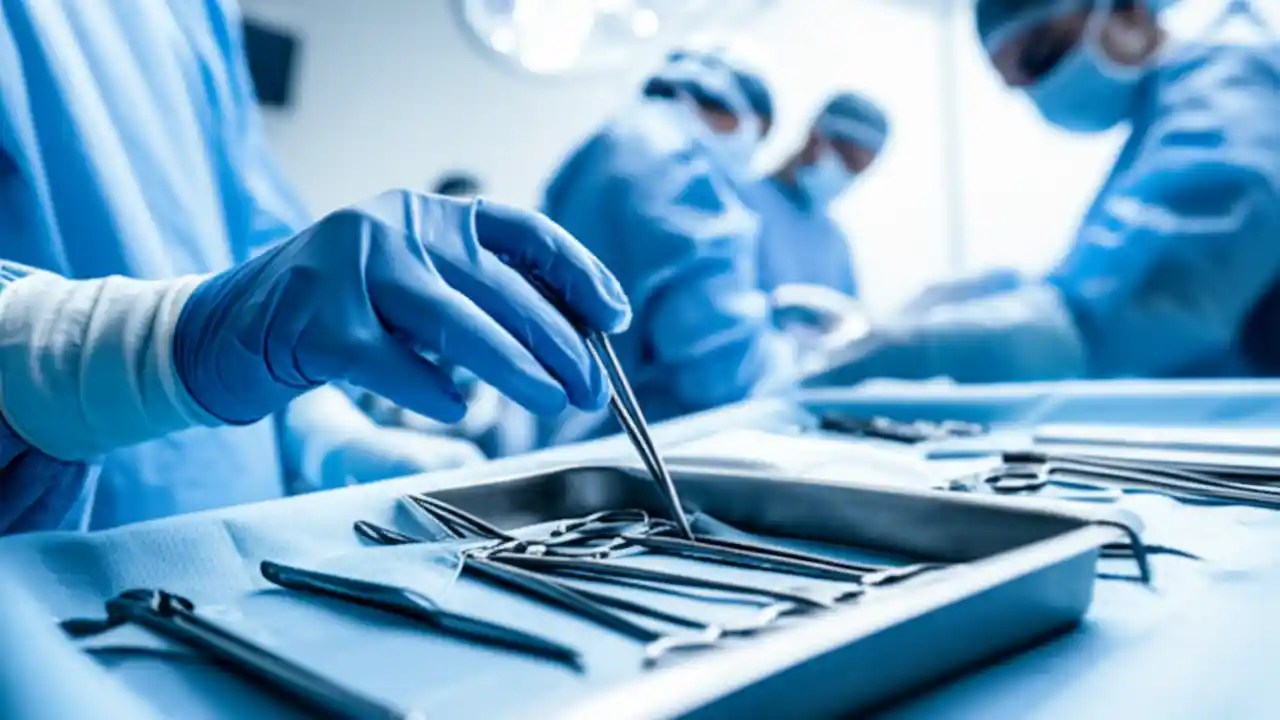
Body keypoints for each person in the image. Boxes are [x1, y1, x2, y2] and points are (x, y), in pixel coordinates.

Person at [0, 0, 627, 532]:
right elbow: (201, 330)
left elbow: (249, 240)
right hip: (41, 576)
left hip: (229, 551)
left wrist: (322, 431)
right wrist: (127, 349)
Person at [811, 0, 1280, 387]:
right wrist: (1004, 293)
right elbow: (1098, 281)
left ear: (1127, 10)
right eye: (1018, 84)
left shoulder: (1235, 83)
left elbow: (1139, 305)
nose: (1041, 90)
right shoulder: (1162, 114)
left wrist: (921, 347)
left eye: (1041, 56)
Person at [542, 43, 799, 439]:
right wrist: (792, 353)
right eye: (757, 135)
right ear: (735, 113)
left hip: (557, 423)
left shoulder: (605, 145)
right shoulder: (678, 163)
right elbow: (717, 370)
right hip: (618, 440)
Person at [744, 92, 890, 298]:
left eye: (855, 171)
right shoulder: (739, 203)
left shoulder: (834, 242)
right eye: (847, 161)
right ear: (815, 137)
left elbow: (847, 313)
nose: (846, 175)